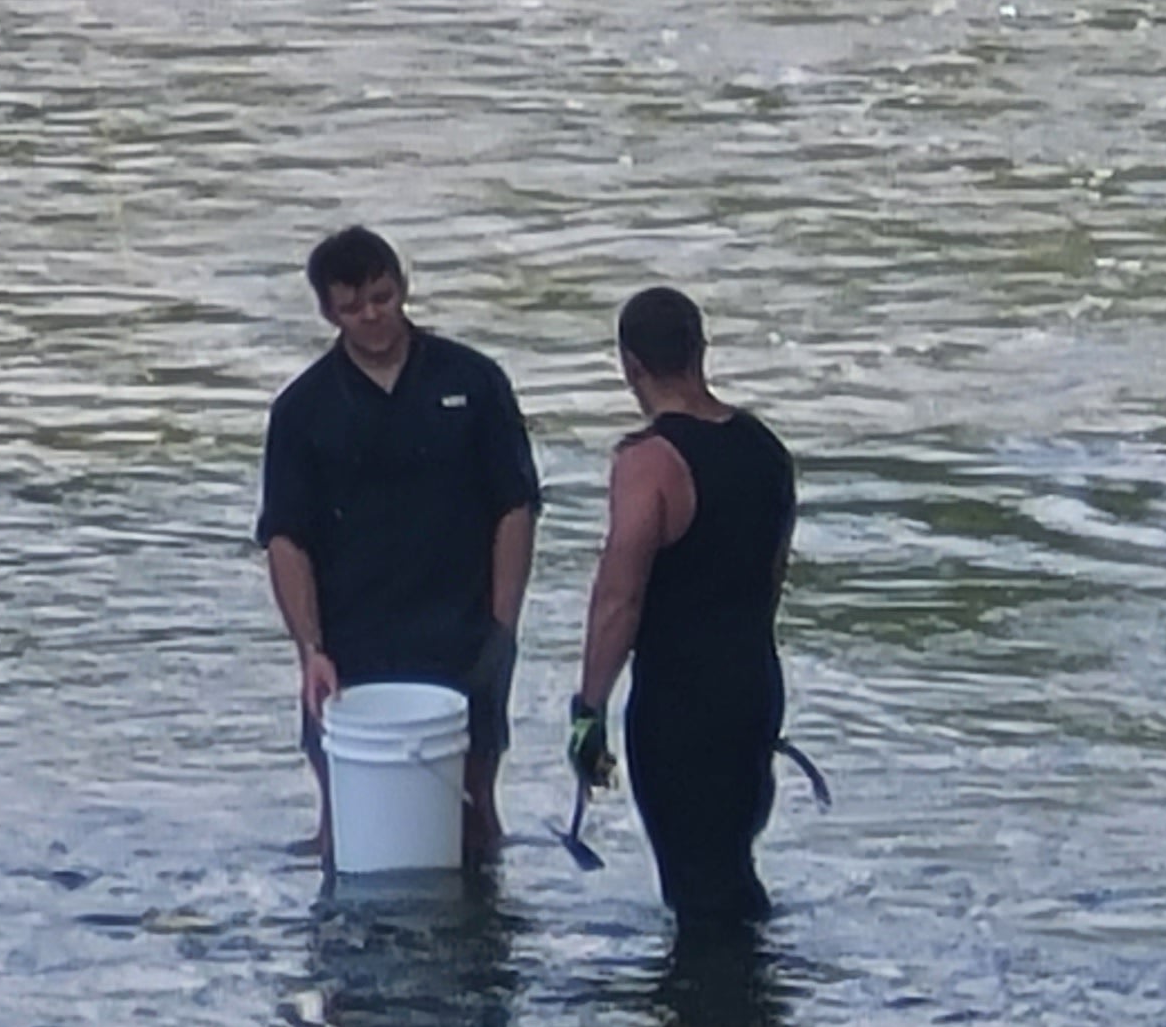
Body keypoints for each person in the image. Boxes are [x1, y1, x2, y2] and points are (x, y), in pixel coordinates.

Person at [256, 225, 541, 867]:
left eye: (382, 297)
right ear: (329, 312)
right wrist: (310, 651)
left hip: (464, 628)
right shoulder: (303, 409)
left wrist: (502, 624)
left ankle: (482, 947)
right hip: (351, 638)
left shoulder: (474, 381)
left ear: (402, 288)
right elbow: (284, 537)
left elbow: (515, 506)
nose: (372, 315)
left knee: (472, 814)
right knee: (343, 816)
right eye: (353, 306)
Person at [566, 285, 798, 925]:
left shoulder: (649, 463)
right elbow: (772, 575)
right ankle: (749, 1015)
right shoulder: (764, 449)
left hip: (680, 701)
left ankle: (711, 1017)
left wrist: (588, 710)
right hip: (753, 682)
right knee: (730, 862)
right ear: (701, 350)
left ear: (630, 365)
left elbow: (621, 596)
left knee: (696, 883)